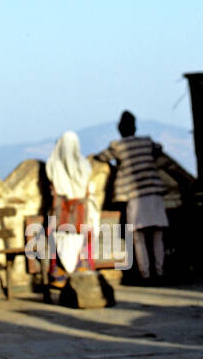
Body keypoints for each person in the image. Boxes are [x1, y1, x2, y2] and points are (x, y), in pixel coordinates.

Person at [95, 112, 168, 281]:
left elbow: (101, 157)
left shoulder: (118, 145)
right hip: (154, 191)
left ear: (120, 129)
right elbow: (159, 149)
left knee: (138, 237)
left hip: (134, 195)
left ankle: (146, 274)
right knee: (158, 234)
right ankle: (160, 271)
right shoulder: (146, 142)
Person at [44, 131, 100, 285]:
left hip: (61, 215)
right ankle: (83, 276)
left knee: (58, 242)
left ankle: (60, 278)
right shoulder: (84, 165)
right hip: (82, 215)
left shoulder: (53, 164)